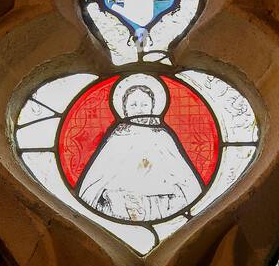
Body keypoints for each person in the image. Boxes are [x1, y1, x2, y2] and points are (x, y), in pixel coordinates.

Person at [77, 78, 203, 222]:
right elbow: (95, 181)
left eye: (144, 104)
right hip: (121, 205)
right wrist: (108, 195)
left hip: (159, 204)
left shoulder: (162, 137)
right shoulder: (116, 139)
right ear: (125, 109)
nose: (139, 109)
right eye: (134, 105)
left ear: (152, 107)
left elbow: (184, 177)